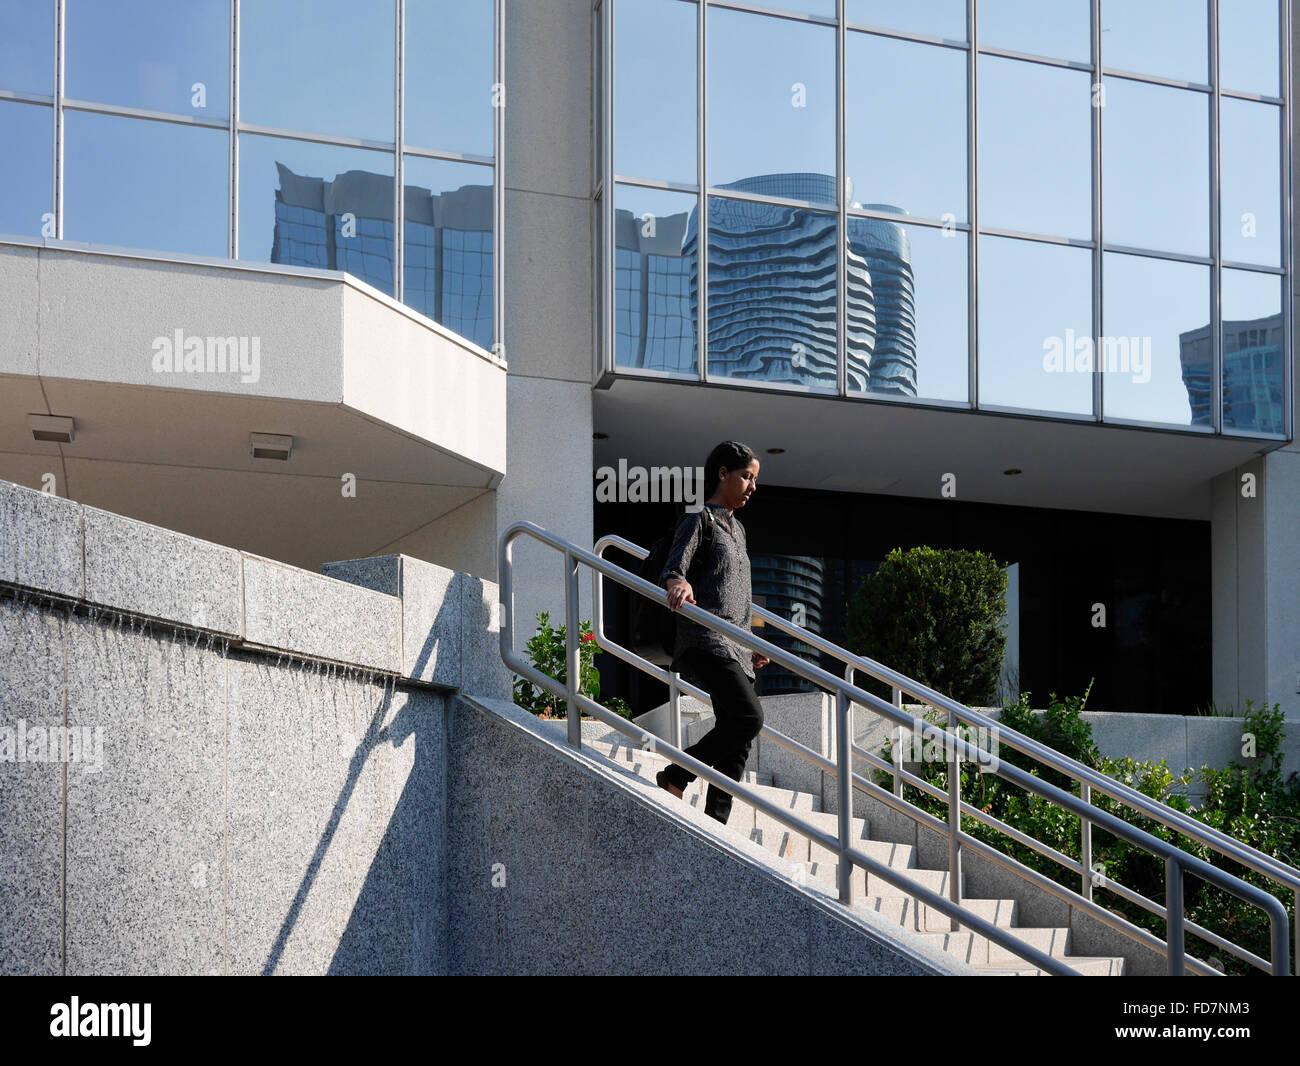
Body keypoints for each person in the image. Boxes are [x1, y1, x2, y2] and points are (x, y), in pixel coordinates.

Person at [654, 440, 769, 825]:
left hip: (737, 644)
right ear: (723, 474)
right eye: (746, 477)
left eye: (755, 479)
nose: (752, 486)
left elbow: (743, 594)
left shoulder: (739, 531)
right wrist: (678, 583)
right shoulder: (698, 517)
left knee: (737, 741)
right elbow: (675, 566)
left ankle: (715, 823)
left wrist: (753, 642)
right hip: (708, 638)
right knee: (748, 718)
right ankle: (676, 775)